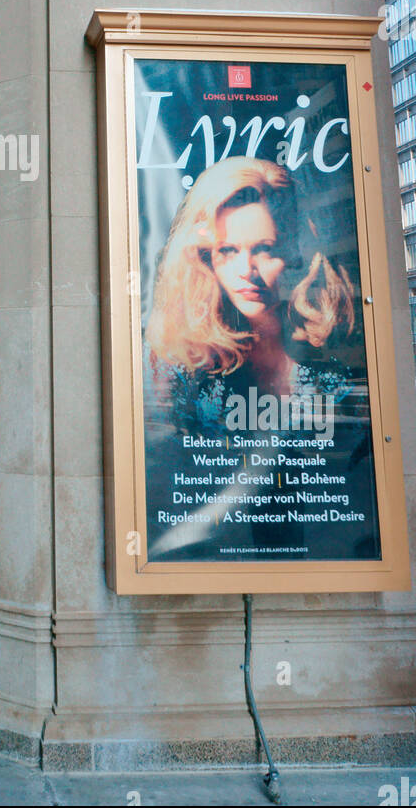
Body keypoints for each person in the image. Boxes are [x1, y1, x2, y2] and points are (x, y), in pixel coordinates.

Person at [142, 155, 379, 561]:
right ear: (205, 258)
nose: (246, 271)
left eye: (265, 250)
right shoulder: (185, 374)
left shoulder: (333, 375)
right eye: (228, 250)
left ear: (294, 251)